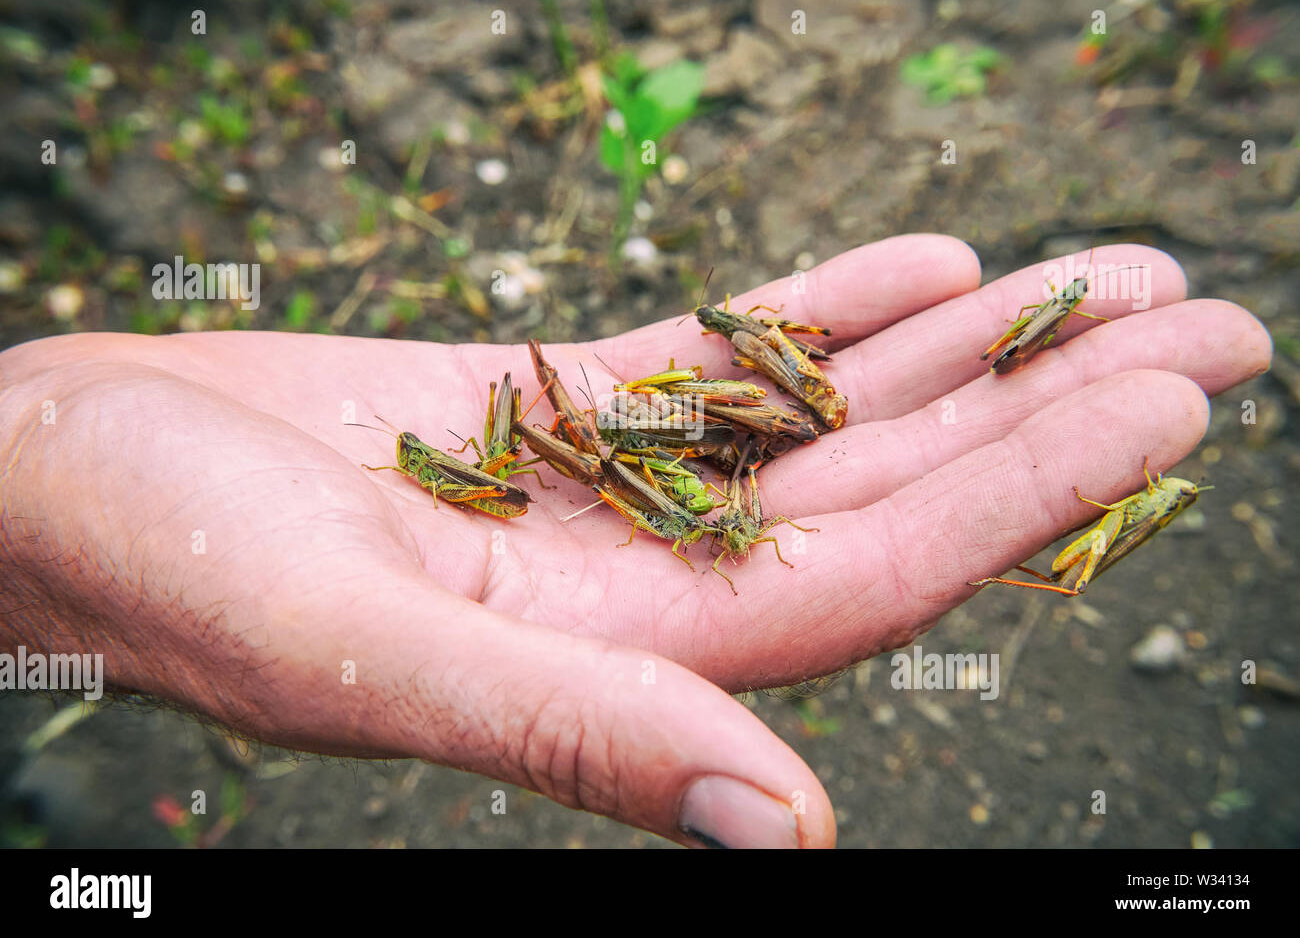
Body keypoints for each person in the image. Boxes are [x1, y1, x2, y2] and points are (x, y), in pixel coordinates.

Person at [0, 235, 1271, 848]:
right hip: (639, 458)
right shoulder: (571, 466)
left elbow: (733, 461)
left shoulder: (710, 452)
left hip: (684, 450)